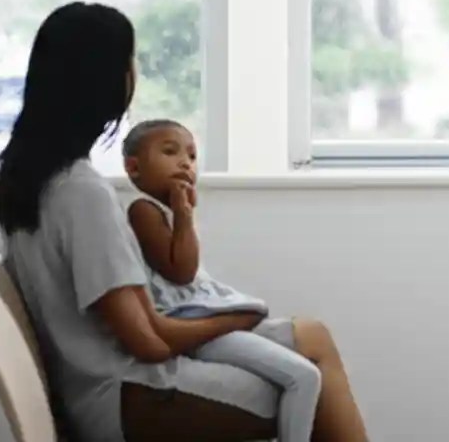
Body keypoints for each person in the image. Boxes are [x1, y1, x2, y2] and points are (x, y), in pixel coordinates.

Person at [0, 1, 368, 442]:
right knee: (310, 383)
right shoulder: (81, 194)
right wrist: (235, 318)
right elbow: (148, 342)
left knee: (313, 336)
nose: (134, 72)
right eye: (129, 60)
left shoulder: (31, 180)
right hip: (127, 394)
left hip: (110, 382)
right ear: (105, 80)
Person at [122, 118, 319, 442]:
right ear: (133, 167)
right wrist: (185, 216)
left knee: (303, 371)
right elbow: (181, 272)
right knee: (304, 376)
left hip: (199, 323)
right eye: (170, 152)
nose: (185, 162)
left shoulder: (164, 211)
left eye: (192, 156)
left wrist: (182, 214)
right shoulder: (143, 210)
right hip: (192, 328)